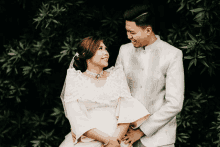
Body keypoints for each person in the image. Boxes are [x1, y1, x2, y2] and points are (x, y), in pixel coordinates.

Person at [59, 36, 151, 147]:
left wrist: (115, 141)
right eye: (100, 49)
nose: (106, 53)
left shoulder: (116, 76)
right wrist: (107, 140)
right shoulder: (75, 80)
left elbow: (126, 112)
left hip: (117, 139)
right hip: (88, 140)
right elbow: (76, 117)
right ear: (85, 54)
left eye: (106, 49)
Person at [115, 5, 185, 147]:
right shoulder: (124, 51)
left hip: (160, 140)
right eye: (127, 32)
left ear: (148, 30)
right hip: (124, 137)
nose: (128, 36)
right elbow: (116, 91)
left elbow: (175, 103)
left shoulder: (172, 54)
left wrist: (142, 130)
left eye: (132, 32)